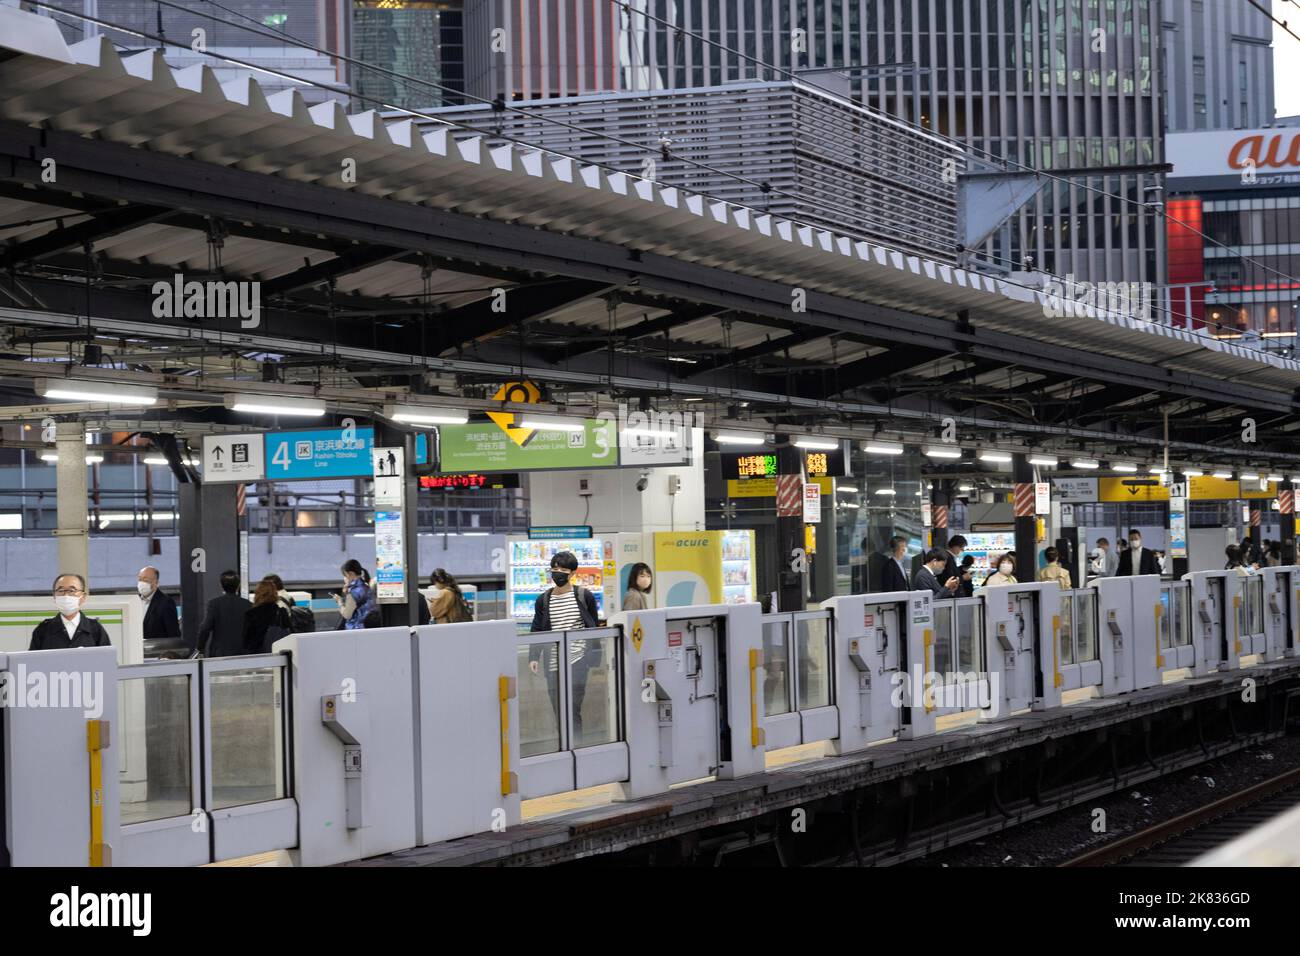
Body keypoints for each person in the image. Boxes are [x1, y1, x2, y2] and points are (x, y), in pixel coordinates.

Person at [528, 551, 601, 738]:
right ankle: (565, 746)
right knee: (558, 710)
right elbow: (537, 629)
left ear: (572, 573)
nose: (558, 573)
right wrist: (533, 657)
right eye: (555, 569)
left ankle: (576, 746)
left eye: (563, 570)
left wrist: (593, 658)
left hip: (577, 661)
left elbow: (593, 625)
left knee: (572, 708)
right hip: (552, 664)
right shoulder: (543, 600)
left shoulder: (584, 596)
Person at [29, 573, 112, 651]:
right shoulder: (42, 630)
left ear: (83, 597)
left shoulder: (96, 629)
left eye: (72, 590)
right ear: (54, 596)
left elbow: (108, 659)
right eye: (61, 591)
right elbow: (30, 660)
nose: (66, 595)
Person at [196, 570, 252, 657]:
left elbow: (205, 628)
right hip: (243, 654)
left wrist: (200, 648)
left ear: (221, 585)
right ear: (238, 585)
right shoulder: (248, 605)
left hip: (219, 654)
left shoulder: (214, 604)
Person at [242, 578, 291, 654]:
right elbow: (288, 635)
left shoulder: (251, 614)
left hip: (258, 656)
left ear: (258, 594)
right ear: (275, 593)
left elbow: (246, 642)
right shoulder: (281, 612)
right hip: (278, 655)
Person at [137, 565, 181, 646]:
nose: (141, 583)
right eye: (140, 579)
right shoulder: (134, 601)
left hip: (157, 650)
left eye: (145, 580)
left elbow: (173, 634)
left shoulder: (166, 603)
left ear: (156, 583)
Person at [334, 559, 375, 630]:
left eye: (345, 575)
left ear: (351, 574)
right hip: (368, 627)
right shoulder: (366, 587)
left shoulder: (354, 592)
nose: (344, 578)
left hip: (356, 629)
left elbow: (347, 615)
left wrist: (339, 602)